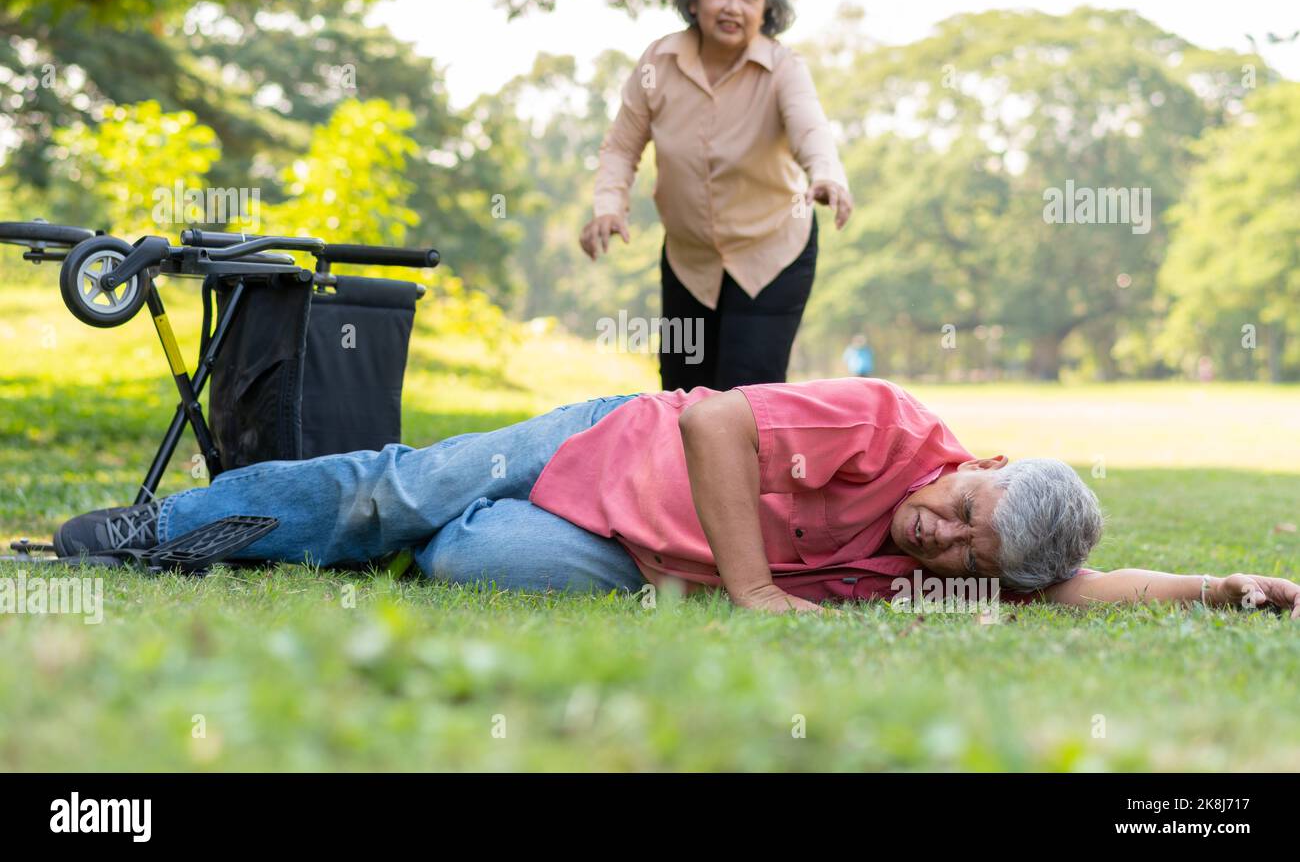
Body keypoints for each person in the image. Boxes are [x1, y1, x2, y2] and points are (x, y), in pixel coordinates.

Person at [55, 378, 1300, 618]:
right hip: (618, 442)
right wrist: (750, 584)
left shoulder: (972, 565)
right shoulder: (891, 424)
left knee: (461, 567)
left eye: (961, 552)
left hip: (630, 551)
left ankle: (410, 545)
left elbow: (1074, 586)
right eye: (960, 512)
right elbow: (713, 416)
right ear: (981, 466)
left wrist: (1219, 586)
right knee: (399, 492)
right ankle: (160, 530)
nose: (939, 534)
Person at [581, 0, 853, 391]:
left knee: (746, 395)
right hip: (690, 259)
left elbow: (810, 127)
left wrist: (827, 175)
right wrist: (607, 207)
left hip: (772, 255)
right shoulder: (657, 64)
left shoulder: (782, 68)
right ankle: (684, 470)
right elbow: (622, 147)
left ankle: (748, 469)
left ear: (767, 8)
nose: (733, 6)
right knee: (681, 392)